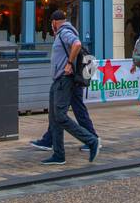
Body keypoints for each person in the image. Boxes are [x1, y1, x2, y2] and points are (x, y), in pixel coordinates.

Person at [31, 10, 99, 154]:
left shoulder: (65, 32)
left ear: (54, 22)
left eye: (51, 23)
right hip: (68, 79)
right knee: (61, 111)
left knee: (64, 112)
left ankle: (92, 139)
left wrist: (68, 63)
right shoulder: (65, 32)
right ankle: (50, 140)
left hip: (67, 79)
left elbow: (77, 44)